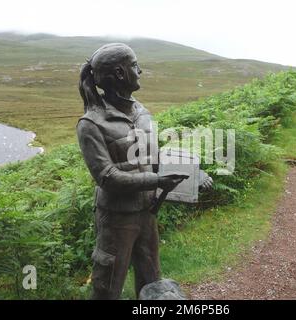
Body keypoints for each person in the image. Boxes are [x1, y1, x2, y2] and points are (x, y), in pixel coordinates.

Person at [77, 43, 212, 300]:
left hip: (148, 213)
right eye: (135, 66)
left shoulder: (142, 112)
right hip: (116, 219)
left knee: (152, 281)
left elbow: (154, 158)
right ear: (120, 73)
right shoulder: (91, 124)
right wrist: (157, 180)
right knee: (107, 286)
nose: (141, 71)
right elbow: (106, 177)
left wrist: (194, 176)